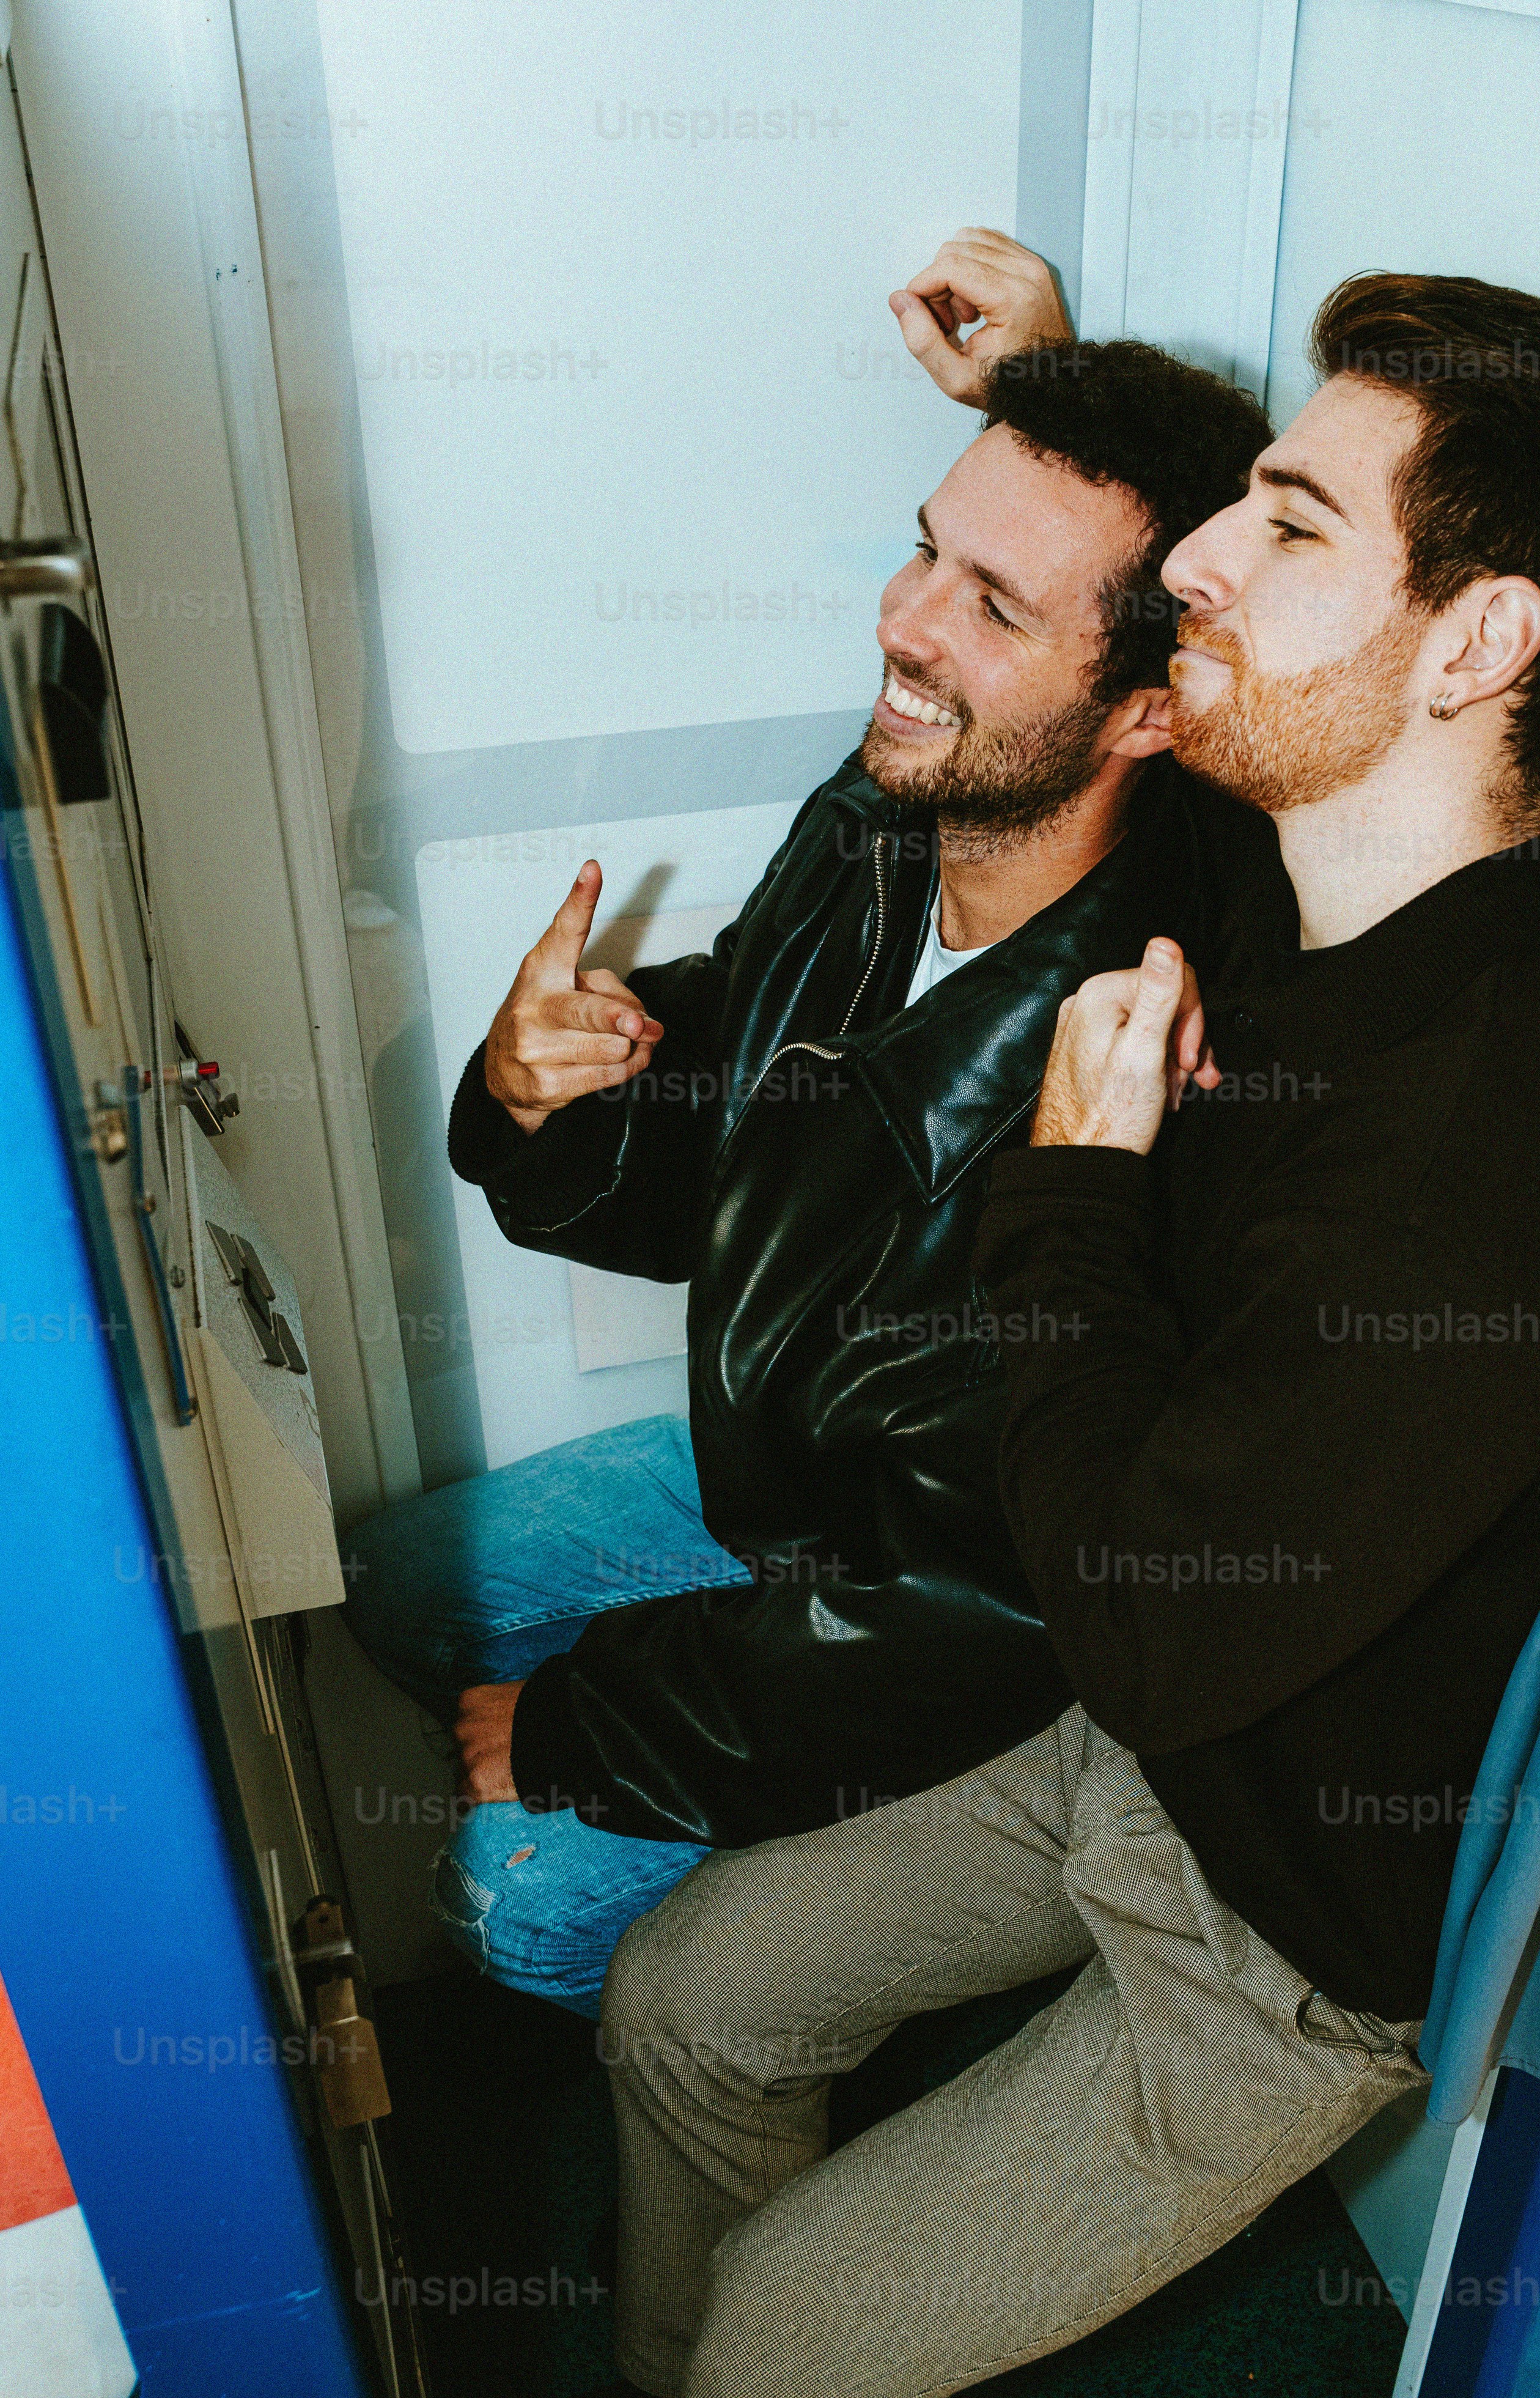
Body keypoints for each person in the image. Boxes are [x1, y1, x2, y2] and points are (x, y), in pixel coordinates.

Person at [512, 271, 1540, 2398]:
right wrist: (1020, 346)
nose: (1205, 576)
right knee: (684, 2002)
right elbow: (1049, 666)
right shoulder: (1307, 878)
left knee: (813, 2337)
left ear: (1477, 638)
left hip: (1281, 1923)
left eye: (1282, 522)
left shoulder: (1495, 1155)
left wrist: (1071, 1189)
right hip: (1145, 1751)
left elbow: (1152, 1615)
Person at [341, 231, 1272, 2013]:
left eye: (994, 607)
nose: (905, 620)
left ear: (1156, 710)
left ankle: (922, 1955)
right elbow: (754, 1112)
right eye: (933, 548)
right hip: (785, 1465)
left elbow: (973, 1614)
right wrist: (563, 1088)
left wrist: (582, 1726)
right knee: (387, 1591)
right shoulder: (898, 805)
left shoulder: (1131, 1081)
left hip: (951, 1616)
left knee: (514, 1898)